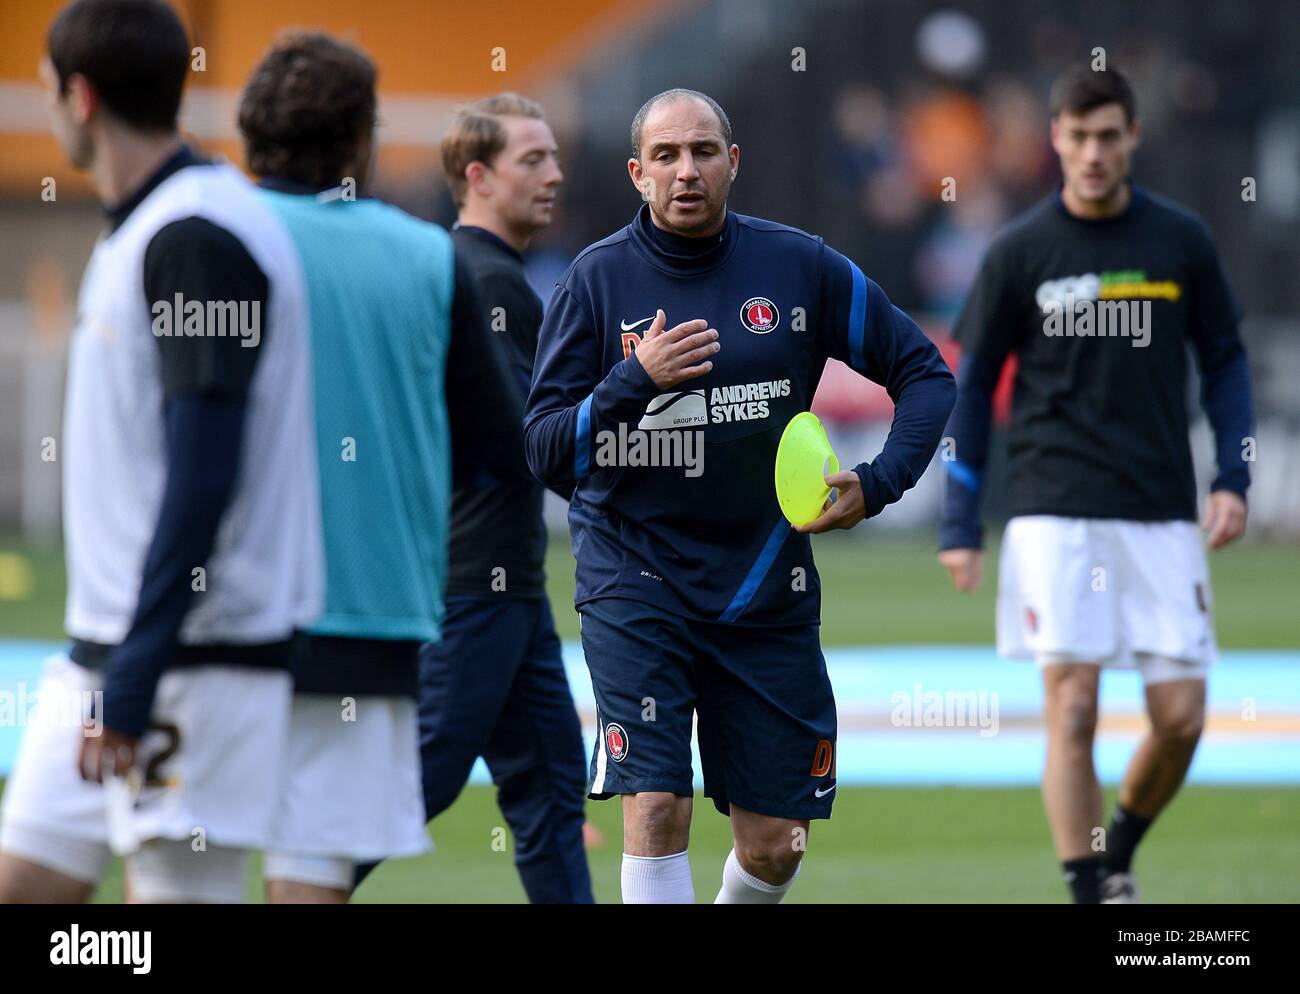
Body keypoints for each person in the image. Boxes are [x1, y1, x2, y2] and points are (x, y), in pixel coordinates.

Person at [524, 88, 955, 903]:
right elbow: (545, 451)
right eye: (665, 156)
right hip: (633, 574)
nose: (686, 171)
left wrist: (879, 481)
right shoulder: (596, 281)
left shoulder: (800, 266)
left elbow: (926, 375)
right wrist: (630, 381)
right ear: (636, 174)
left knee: (774, 847)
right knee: (654, 804)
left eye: (702, 152)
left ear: (733, 162)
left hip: (763, 585)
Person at [0, 0, 320, 903]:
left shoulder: (195, 237)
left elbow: (204, 473)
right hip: (104, 651)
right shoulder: (149, 224)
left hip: (192, 662)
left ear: (80, 95)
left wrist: (138, 678)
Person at [937, 65, 1254, 904]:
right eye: (1077, 137)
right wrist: (961, 518)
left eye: (1108, 136)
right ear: (1055, 140)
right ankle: (1089, 890)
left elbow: (1224, 358)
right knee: (1071, 709)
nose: (1092, 152)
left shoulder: (1180, 241)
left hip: (1158, 508)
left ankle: (1116, 849)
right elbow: (971, 388)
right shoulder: (1019, 252)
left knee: (1182, 718)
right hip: (1053, 508)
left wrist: (1233, 474)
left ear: (1132, 139)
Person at [237, 33, 526, 903]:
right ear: (361, 138)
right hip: (364, 620)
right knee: (312, 877)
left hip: (215, 611)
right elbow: (499, 454)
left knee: (180, 870)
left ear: (252, 133)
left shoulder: (204, 232)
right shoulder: (424, 256)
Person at [355, 93, 593, 903]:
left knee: (552, 790)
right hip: (472, 578)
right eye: (533, 160)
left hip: (505, 585)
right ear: (477, 176)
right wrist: (634, 388)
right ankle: (302, 886)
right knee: (423, 778)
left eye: (554, 157)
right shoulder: (491, 283)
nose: (554, 175)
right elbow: (532, 443)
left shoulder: (464, 271)